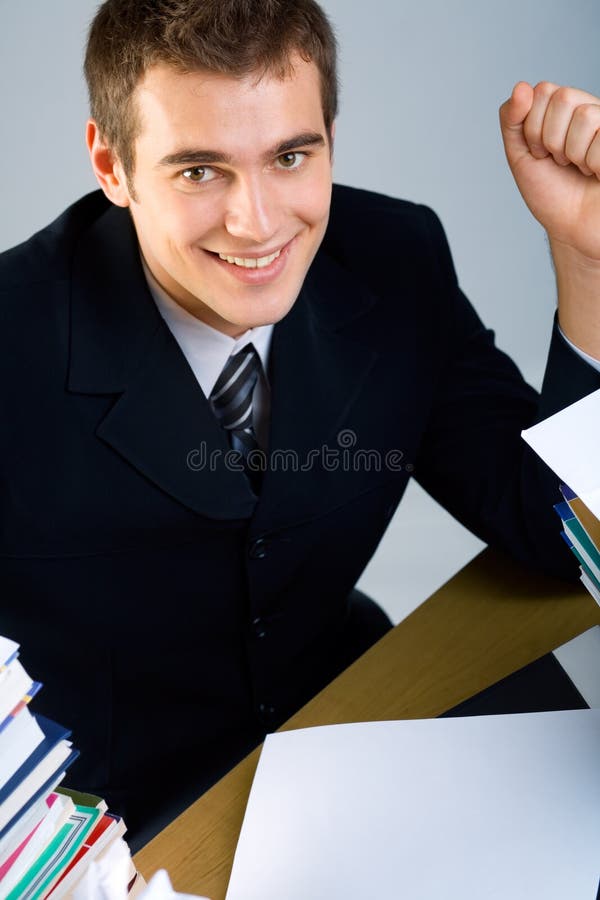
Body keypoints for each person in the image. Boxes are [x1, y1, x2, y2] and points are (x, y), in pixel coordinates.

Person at [1, 0, 600, 844]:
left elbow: (551, 530)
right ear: (112, 164)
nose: (258, 223)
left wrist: (585, 257)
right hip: (119, 828)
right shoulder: (12, 336)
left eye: (289, 156)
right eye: (198, 170)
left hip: (355, 726)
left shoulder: (395, 255)